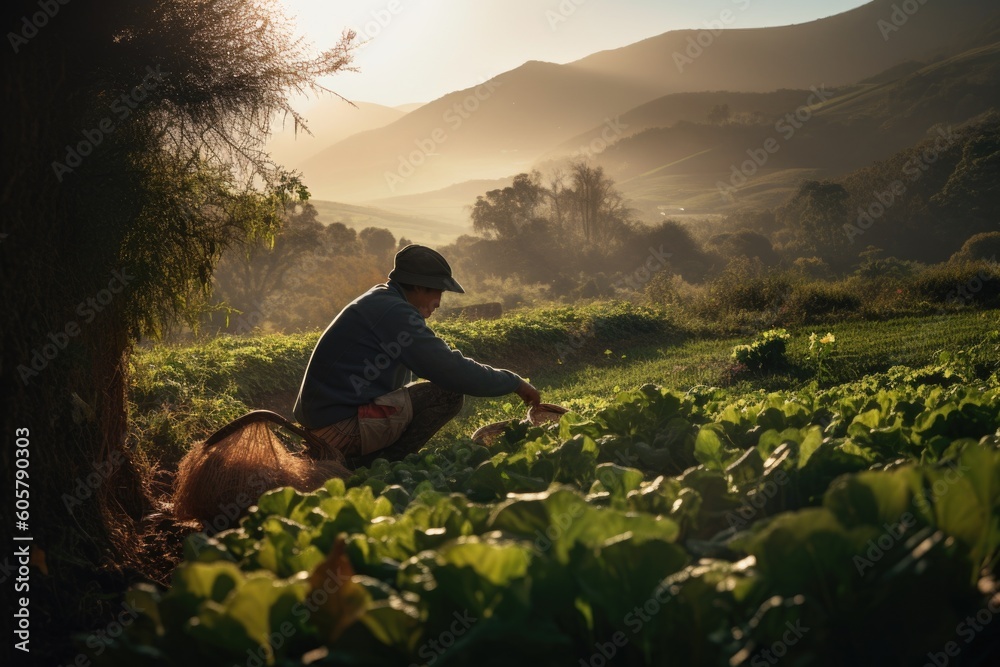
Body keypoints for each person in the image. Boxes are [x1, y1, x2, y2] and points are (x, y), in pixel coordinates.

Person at [293, 244, 541, 468]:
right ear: (419, 287)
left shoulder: (383, 300)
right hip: (338, 430)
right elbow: (449, 369)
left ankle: (365, 462)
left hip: (326, 422)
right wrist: (513, 382)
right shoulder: (394, 312)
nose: (439, 303)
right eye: (438, 292)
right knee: (447, 393)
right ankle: (373, 467)